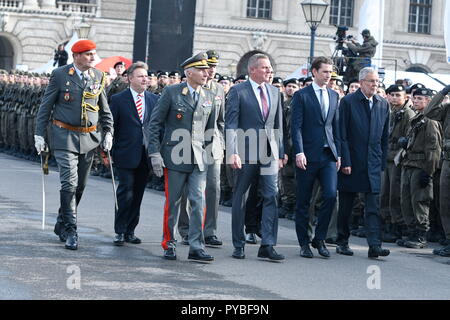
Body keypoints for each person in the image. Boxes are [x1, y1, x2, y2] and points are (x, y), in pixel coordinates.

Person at [34, 39, 114, 250]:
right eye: (88, 54)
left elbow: (104, 109)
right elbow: (46, 107)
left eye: (93, 54)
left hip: (89, 139)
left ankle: (61, 221)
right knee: (69, 182)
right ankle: (71, 230)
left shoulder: (98, 76)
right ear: (76, 56)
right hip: (64, 136)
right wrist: (39, 135)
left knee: (80, 186)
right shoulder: (61, 75)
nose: (93, 58)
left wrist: (108, 132)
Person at [146, 52, 216, 262]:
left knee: (198, 200)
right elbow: (155, 123)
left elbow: (210, 131)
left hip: (198, 158)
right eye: (202, 70)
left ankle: (196, 245)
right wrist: (155, 152)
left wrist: (211, 154)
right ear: (189, 72)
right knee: (173, 203)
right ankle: (169, 243)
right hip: (174, 156)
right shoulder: (172, 92)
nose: (207, 73)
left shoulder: (209, 96)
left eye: (207, 69)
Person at [226, 53, 285, 261]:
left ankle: (268, 244)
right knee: (241, 197)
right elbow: (231, 123)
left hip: (269, 153)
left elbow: (278, 126)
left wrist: (281, 152)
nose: (270, 71)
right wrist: (232, 151)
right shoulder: (237, 91)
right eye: (265, 68)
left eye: (270, 68)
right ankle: (238, 243)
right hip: (244, 151)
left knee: (271, 195)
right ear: (252, 70)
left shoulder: (275, 92)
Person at [336, 67, 390, 259]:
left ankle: (375, 245)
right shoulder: (348, 102)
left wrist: (381, 163)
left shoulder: (382, 104)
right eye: (371, 81)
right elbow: (341, 134)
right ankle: (342, 240)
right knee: (347, 205)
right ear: (361, 82)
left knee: (374, 207)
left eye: (377, 82)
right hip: (353, 160)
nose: (375, 85)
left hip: (373, 163)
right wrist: (345, 160)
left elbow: (385, 137)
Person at [291, 57, 341, 259]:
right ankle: (304, 242)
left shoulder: (334, 95)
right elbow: (296, 126)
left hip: (328, 154)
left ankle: (319, 239)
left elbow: (335, 126)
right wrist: (299, 151)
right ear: (314, 72)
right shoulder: (302, 95)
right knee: (304, 200)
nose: (328, 75)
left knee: (330, 195)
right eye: (325, 72)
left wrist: (339, 154)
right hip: (308, 155)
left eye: (330, 72)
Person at [177, 50, 225, 247]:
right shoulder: (187, 87)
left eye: (213, 67)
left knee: (213, 188)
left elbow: (221, 120)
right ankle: (186, 229)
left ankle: (210, 231)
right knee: (190, 189)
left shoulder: (219, 89)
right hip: (190, 143)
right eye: (207, 67)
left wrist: (220, 142)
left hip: (212, 145)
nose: (211, 71)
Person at [109, 61, 159, 246]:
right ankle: (120, 230)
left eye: (146, 76)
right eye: (140, 76)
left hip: (145, 155)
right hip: (125, 153)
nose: (145, 79)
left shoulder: (154, 99)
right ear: (130, 79)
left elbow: (156, 127)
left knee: (138, 194)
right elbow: (111, 126)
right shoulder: (118, 99)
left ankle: (131, 230)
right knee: (125, 192)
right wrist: (109, 150)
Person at [397, 88, 442, 249]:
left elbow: (433, 148)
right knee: (406, 201)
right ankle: (411, 232)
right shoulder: (416, 118)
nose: (415, 101)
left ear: (429, 101)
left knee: (419, 202)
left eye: (420, 99)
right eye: (415, 98)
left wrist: (428, 172)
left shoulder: (431, 121)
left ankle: (421, 235)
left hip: (421, 166)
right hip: (409, 164)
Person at [379, 85, 416, 243]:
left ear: (405, 96)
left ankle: (397, 226)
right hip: (386, 155)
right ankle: (387, 223)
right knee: (384, 192)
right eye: (391, 95)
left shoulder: (408, 113)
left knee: (395, 193)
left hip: (397, 158)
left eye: (398, 95)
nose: (394, 98)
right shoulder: (390, 110)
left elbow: (409, 138)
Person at [424, 84, 450, 256]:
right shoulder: (447, 108)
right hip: (447, 160)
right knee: (445, 202)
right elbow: (429, 112)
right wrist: (443, 92)